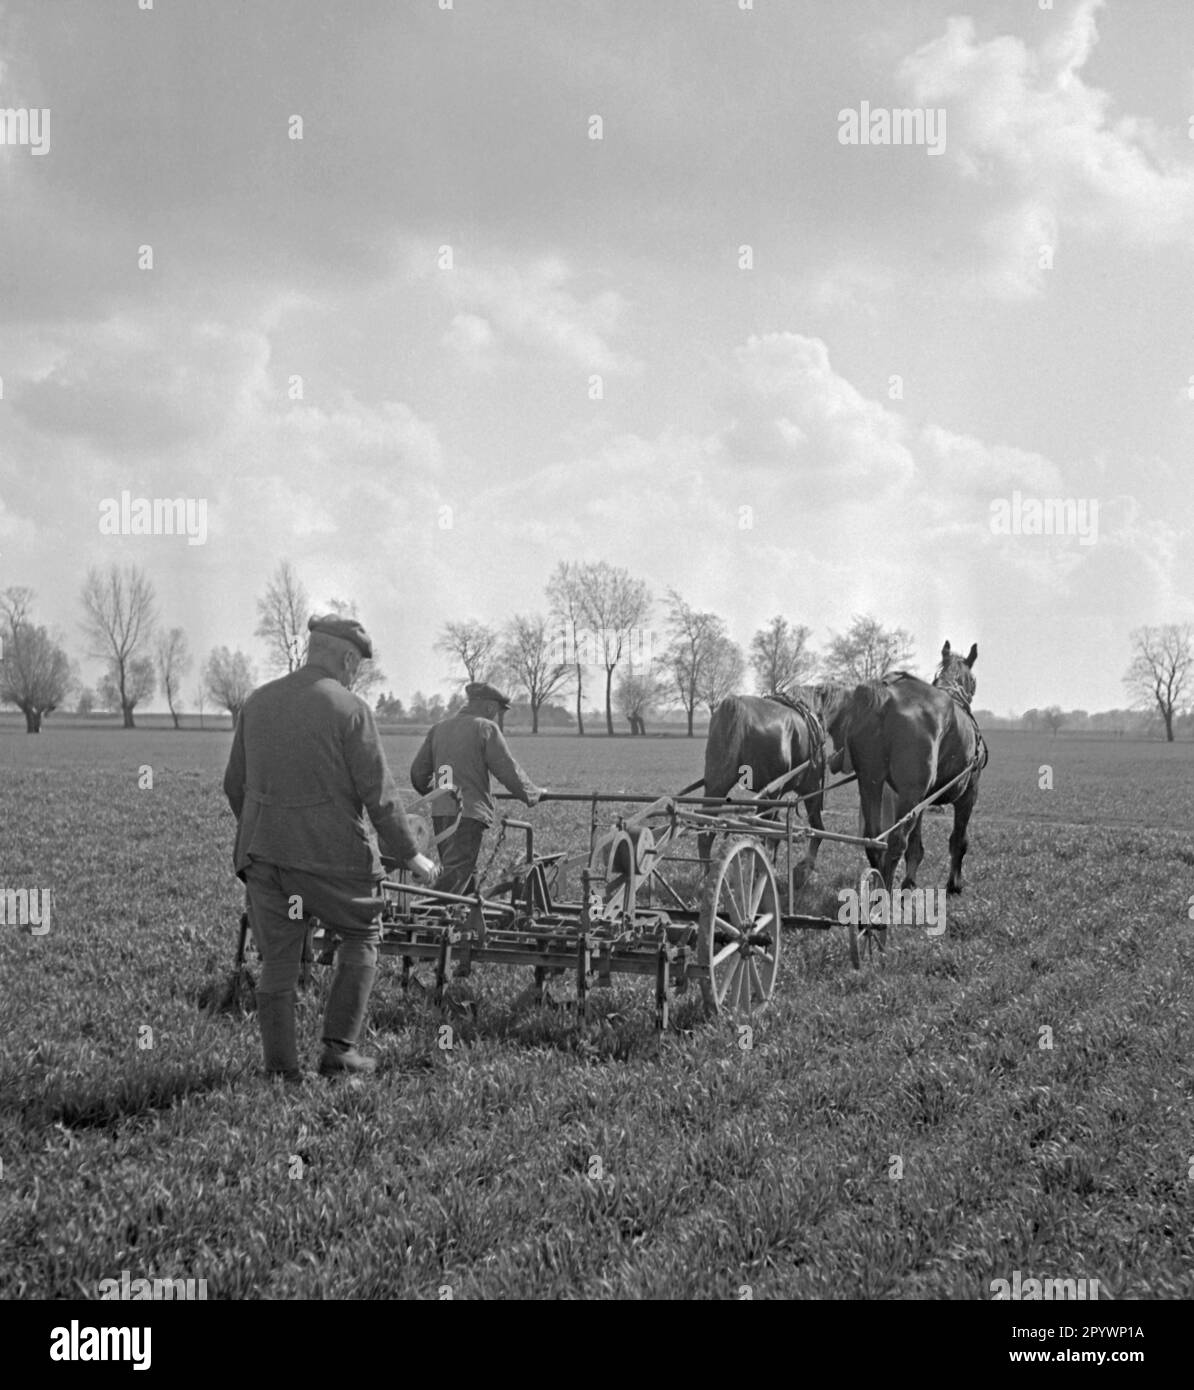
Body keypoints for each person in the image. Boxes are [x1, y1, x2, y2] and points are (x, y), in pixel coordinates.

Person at [224, 614, 437, 1082]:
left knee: (278, 958)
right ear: (345, 658)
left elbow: (232, 784)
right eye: (356, 665)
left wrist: (266, 830)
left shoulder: (257, 703)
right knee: (363, 933)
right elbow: (378, 795)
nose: (355, 673)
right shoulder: (350, 709)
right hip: (331, 859)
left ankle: (280, 1071)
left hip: (263, 857)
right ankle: (339, 1053)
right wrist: (410, 853)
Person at [410, 681, 543, 894]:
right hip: (468, 813)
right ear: (490, 707)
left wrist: (438, 795)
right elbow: (507, 770)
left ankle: (463, 919)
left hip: (442, 813)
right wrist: (533, 794)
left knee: (460, 872)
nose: (497, 716)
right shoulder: (485, 728)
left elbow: (418, 774)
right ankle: (433, 915)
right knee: (455, 877)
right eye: (498, 711)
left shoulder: (439, 729)